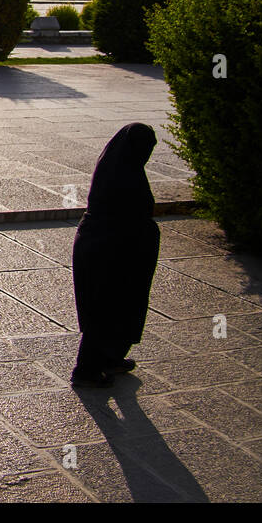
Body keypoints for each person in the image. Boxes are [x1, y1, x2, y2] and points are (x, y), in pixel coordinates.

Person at [70, 122, 161, 388]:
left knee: (125, 306)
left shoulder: (119, 165)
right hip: (105, 250)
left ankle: (110, 358)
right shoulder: (121, 176)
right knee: (103, 308)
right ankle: (85, 370)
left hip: (118, 248)